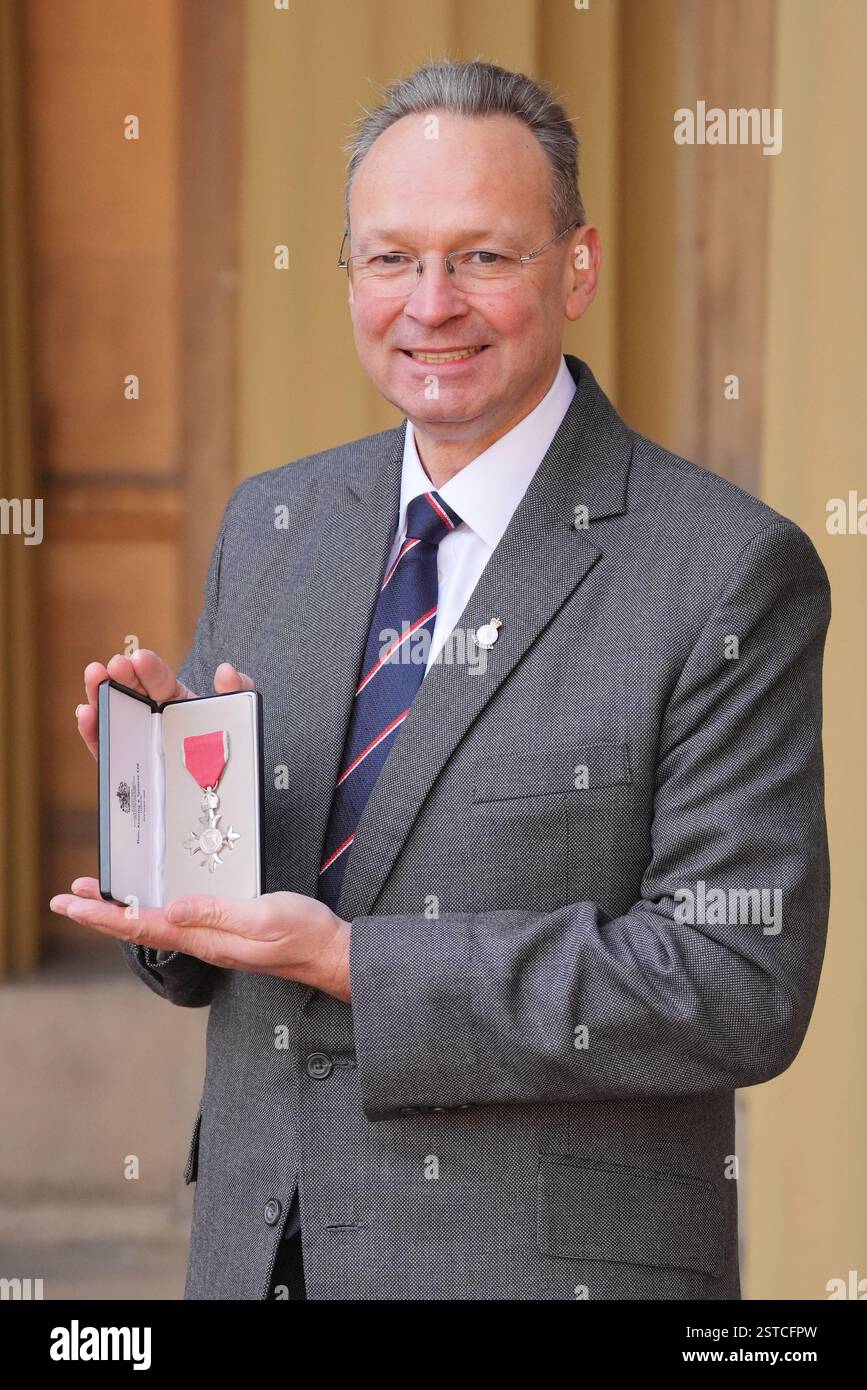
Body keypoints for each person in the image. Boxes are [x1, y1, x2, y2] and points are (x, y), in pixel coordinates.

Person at [52, 58, 831, 1301]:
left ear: (575, 268)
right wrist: (169, 828)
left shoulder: (728, 571)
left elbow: (737, 985)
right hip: (259, 1261)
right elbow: (222, 942)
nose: (431, 304)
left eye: (483, 257)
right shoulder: (277, 523)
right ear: (349, 273)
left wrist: (361, 964)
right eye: (390, 258)